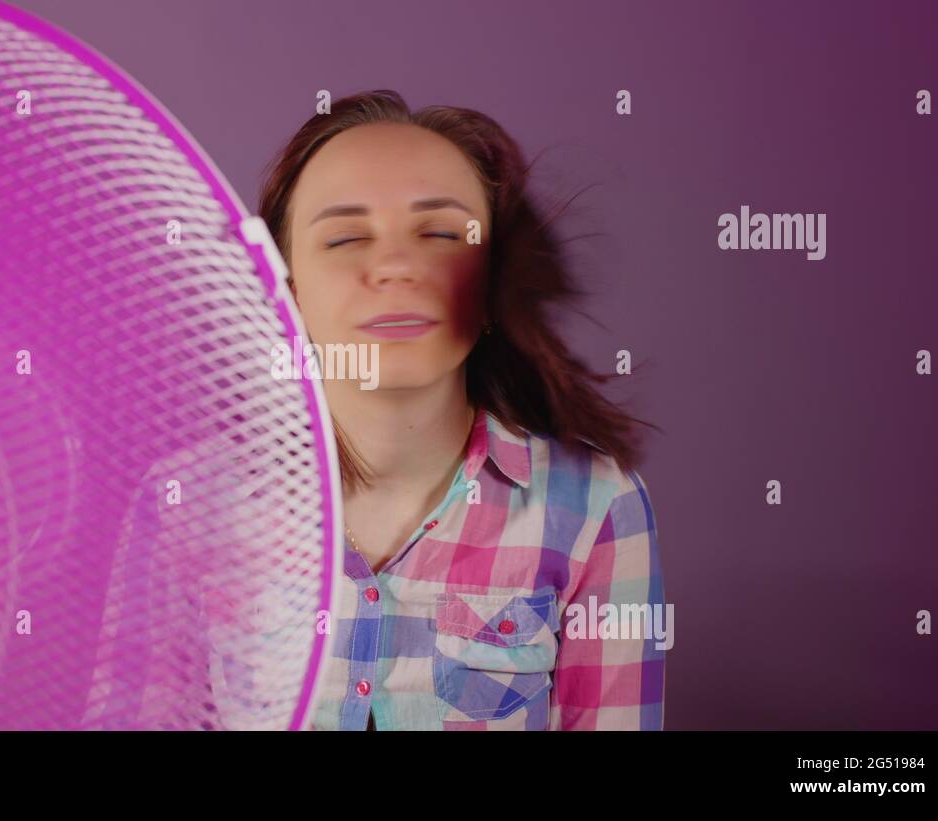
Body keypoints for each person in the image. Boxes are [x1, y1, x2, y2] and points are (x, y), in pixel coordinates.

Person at [257, 89, 667, 730]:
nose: (394, 264)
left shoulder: (595, 507)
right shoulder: (189, 508)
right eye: (343, 238)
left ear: (495, 282)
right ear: (287, 291)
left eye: (443, 233)